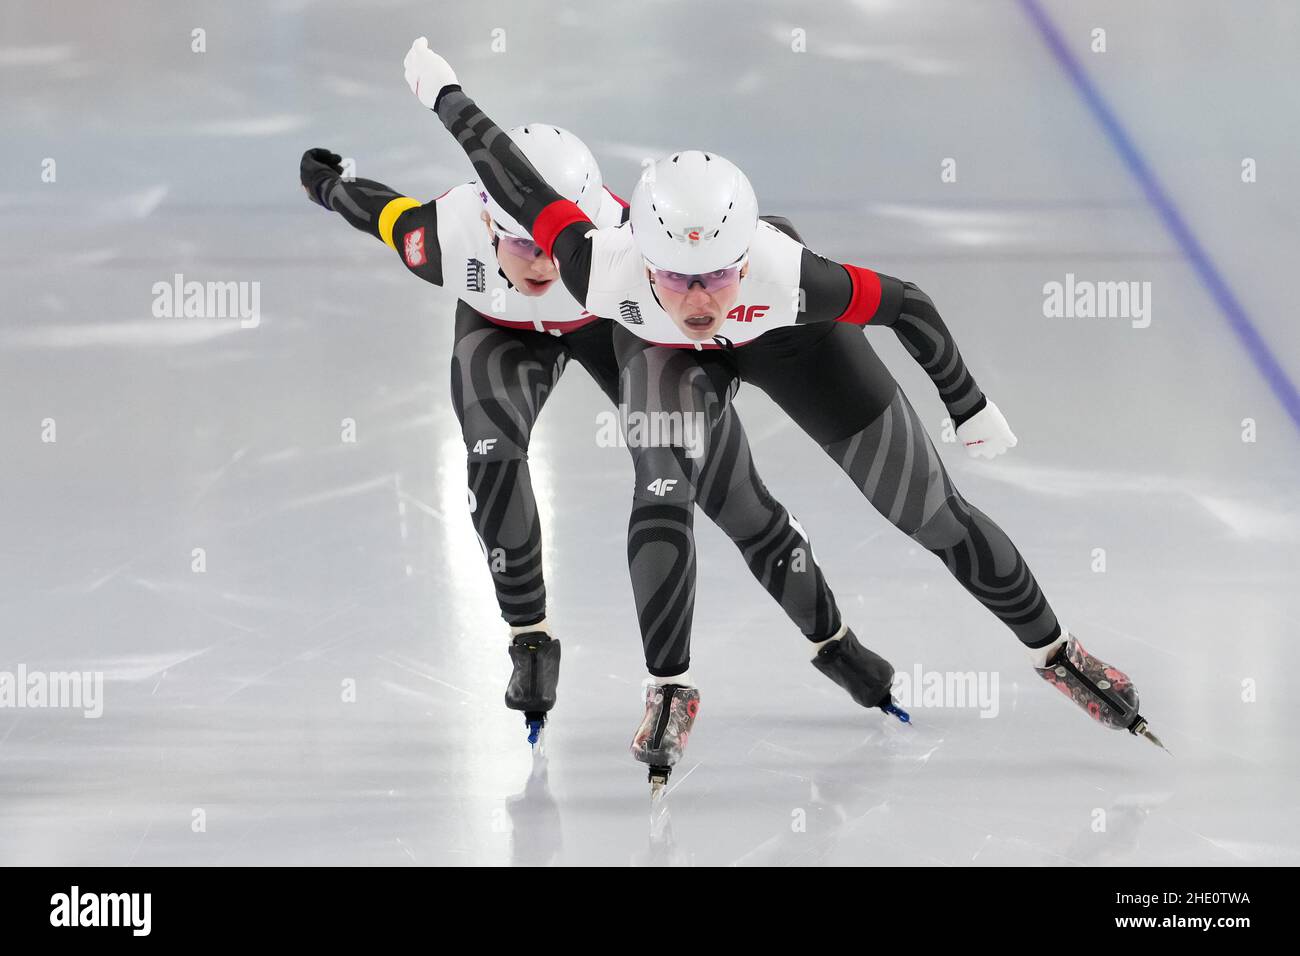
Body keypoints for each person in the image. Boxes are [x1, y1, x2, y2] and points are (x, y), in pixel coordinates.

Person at [400, 38, 1164, 783]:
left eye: (718, 277)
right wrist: (444, 93)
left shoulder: (789, 277)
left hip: (790, 343)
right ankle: (670, 688)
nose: (700, 302)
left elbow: (909, 305)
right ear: (641, 255)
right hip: (665, 361)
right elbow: (509, 171)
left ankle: (1059, 653)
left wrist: (967, 404)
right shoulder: (598, 265)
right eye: (677, 279)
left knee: (929, 512)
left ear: (745, 258)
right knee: (662, 488)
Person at [299, 129, 895, 757]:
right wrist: (328, 184)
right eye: (523, 243)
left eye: (554, 242)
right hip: (501, 331)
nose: (543, 264)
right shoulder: (442, 235)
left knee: (730, 496)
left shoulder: (630, 245)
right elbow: (378, 212)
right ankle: (529, 639)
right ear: (485, 223)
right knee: (489, 456)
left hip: (615, 328)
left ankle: (834, 642)